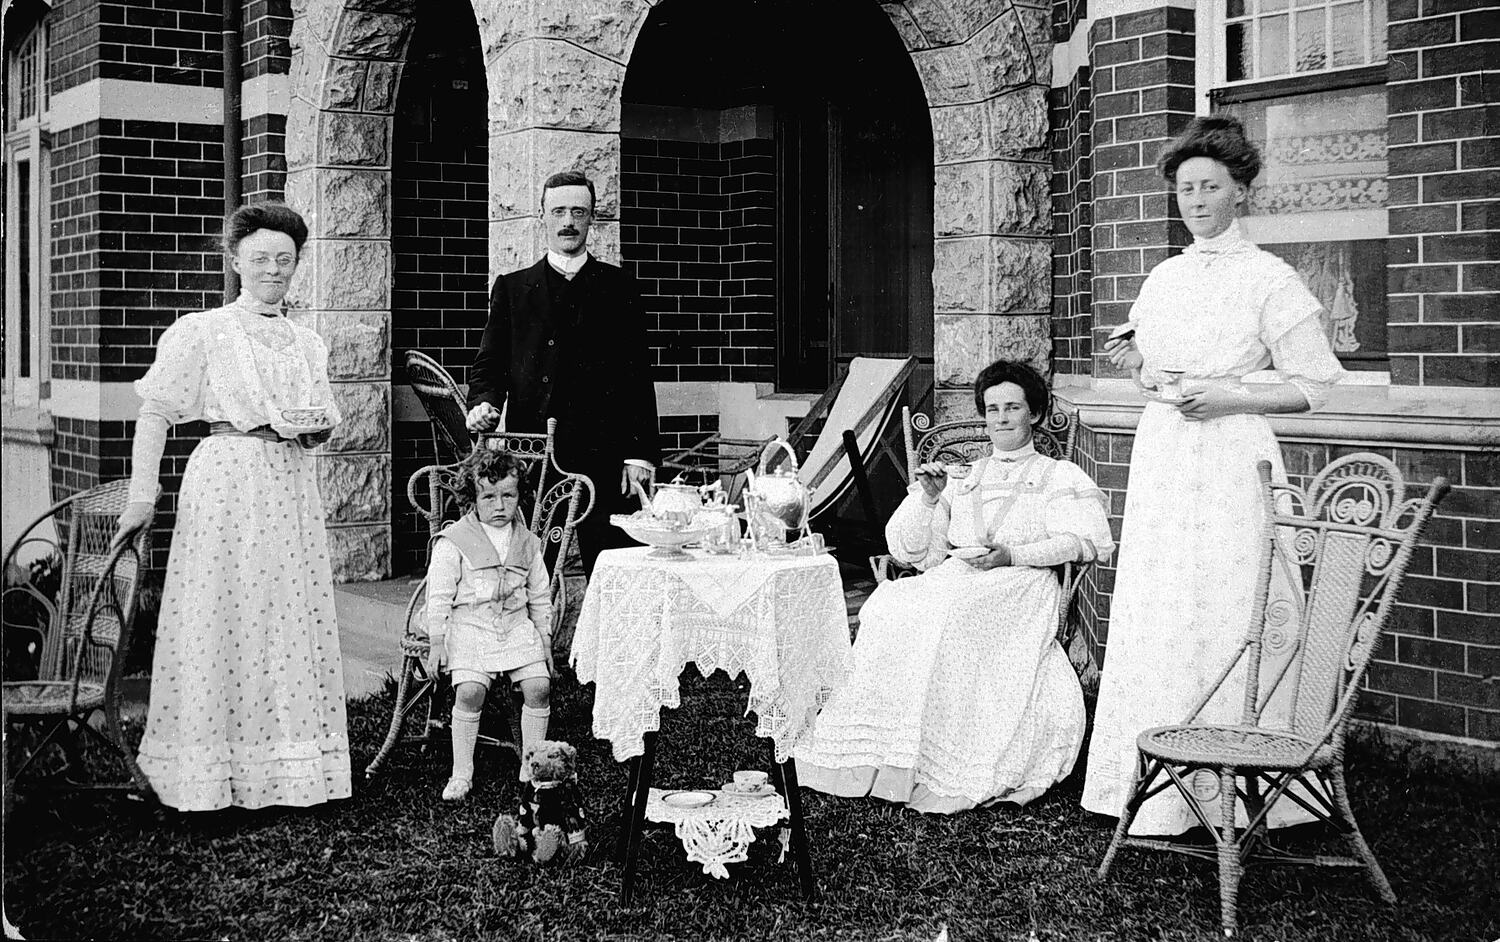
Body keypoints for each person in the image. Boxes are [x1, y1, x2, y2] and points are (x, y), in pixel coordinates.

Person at [1081, 116, 1344, 835]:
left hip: (1232, 449)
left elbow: (1316, 384)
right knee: (1168, 599)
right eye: (1185, 188)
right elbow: (1153, 374)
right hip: (1167, 448)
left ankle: (1245, 775)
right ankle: (1158, 780)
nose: (1195, 199)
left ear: (1240, 192)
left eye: (1210, 186)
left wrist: (1232, 396)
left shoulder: (1269, 277)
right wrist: (1134, 365)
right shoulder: (1164, 277)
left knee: (1229, 593)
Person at [793, 360, 1114, 813]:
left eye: (1013, 408)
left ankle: (942, 755)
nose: (1001, 419)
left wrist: (1014, 555)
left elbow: (1082, 542)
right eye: (992, 409)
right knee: (889, 606)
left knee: (946, 617)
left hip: (1021, 582)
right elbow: (905, 549)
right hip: (960, 575)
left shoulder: (1058, 476)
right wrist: (927, 497)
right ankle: (888, 751)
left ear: (1035, 415)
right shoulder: (964, 476)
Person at [111, 203, 350, 811]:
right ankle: (206, 775)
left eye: (286, 259)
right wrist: (143, 495)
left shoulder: (307, 342)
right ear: (235, 260)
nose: (274, 269)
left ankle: (288, 771)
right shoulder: (203, 330)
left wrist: (312, 429)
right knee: (222, 613)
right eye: (261, 257)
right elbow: (156, 414)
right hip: (224, 481)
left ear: (298, 264)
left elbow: (317, 418)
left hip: (290, 483)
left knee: (286, 619)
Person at [465, 170, 660, 576]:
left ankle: (610, 642)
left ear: (592, 219)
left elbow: (637, 376)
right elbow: (490, 364)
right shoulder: (513, 289)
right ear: (543, 218)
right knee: (530, 570)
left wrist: (639, 453)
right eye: (558, 212)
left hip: (606, 458)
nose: (568, 221)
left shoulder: (620, 288)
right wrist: (483, 403)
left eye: (578, 211)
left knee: (615, 569)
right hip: (537, 458)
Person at [424, 448, 553, 801]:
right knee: (470, 692)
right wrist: (438, 640)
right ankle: (461, 772)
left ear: (519, 496)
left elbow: (540, 597)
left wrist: (544, 642)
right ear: (473, 498)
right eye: (489, 496)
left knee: (539, 686)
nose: (499, 506)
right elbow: (438, 596)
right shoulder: (456, 541)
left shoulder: (526, 544)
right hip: (470, 626)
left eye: (508, 496)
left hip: (515, 625)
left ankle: (531, 764)